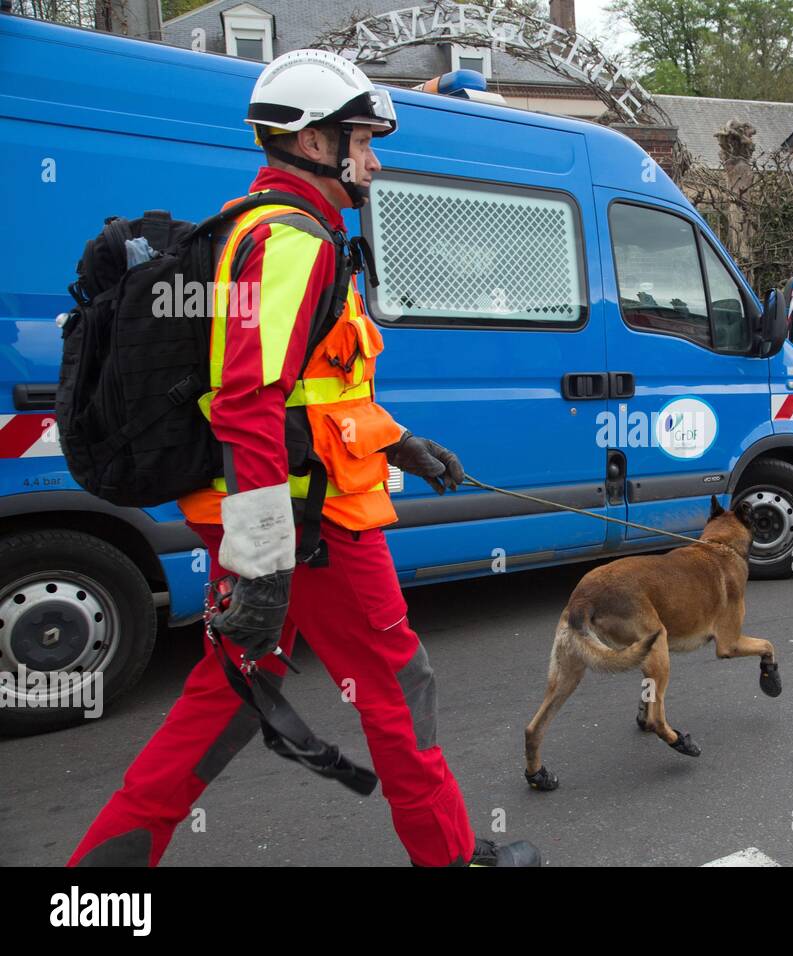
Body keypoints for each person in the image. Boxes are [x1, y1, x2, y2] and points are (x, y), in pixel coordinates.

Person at [68, 49, 539, 868]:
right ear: (314, 142)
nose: (375, 158)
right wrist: (264, 564)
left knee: (229, 694)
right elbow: (248, 399)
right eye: (363, 139)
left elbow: (316, 390)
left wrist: (404, 444)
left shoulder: (264, 228)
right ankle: (451, 857)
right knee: (398, 686)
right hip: (309, 528)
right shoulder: (294, 242)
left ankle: (96, 881)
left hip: (278, 520)